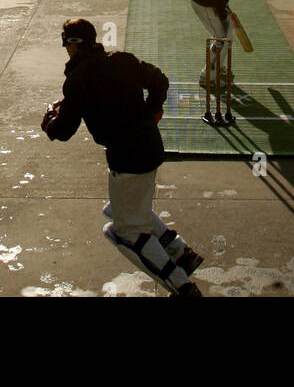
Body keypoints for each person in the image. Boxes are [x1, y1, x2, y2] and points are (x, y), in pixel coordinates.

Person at [41, 18, 203, 298]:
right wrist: (152, 112)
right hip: (150, 145)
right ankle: (180, 252)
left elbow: (64, 131)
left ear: (72, 44)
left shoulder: (77, 80)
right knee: (119, 210)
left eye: (66, 43)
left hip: (127, 158)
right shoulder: (122, 60)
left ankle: (181, 285)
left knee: (124, 231)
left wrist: (49, 124)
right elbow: (159, 80)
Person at [190, 0, 267, 84]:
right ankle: (208, 77)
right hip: (204, 4)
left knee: (226, 36)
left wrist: (224, 7)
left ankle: (217, 67)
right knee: (223, 40)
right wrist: (222, 12)